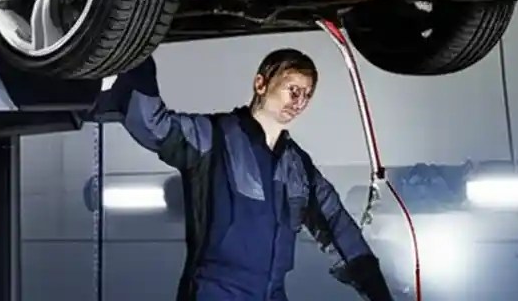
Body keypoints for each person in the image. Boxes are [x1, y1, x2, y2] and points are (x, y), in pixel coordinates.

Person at [92, 48, 394, 301]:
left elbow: (338, 225)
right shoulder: (213, 137)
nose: (299, 102)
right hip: (216, 292)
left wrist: (378, 293)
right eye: (293, 90)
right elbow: (155, 125)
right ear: (261, 84)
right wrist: (135, 51)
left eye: (307, 94)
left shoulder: (297, 166)